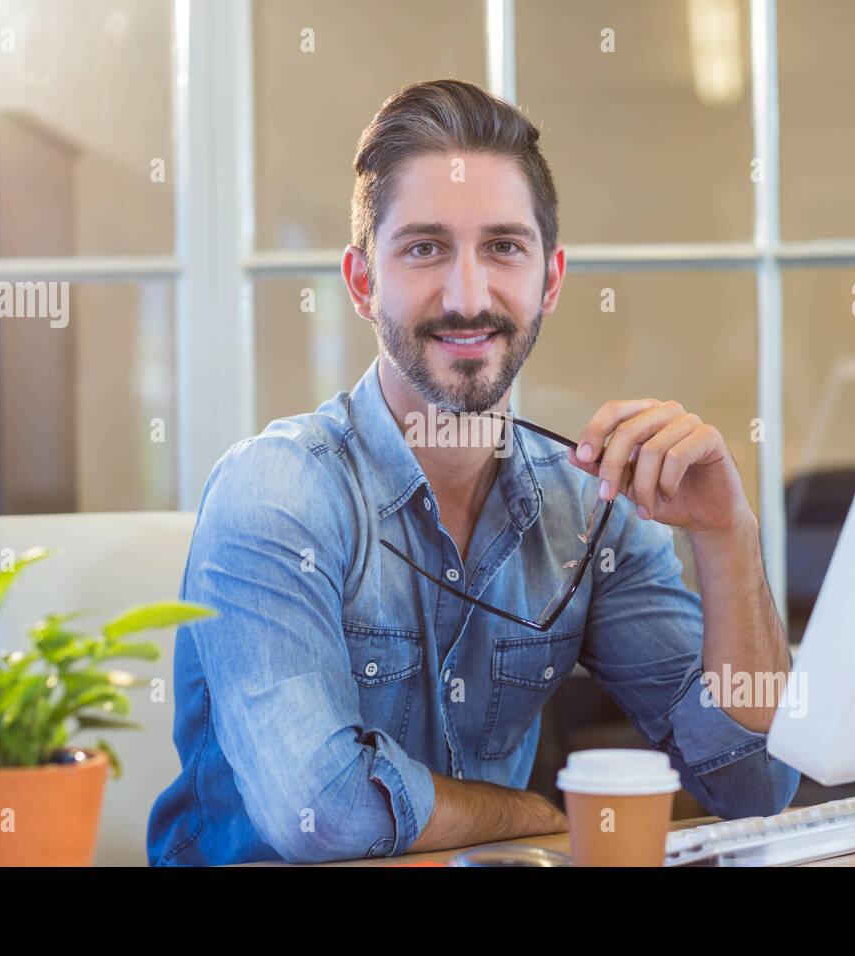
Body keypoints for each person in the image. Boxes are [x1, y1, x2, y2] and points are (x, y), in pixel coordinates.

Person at [148, 78, 799, 866]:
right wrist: (528, 813)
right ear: (362, 282)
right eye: (424, 248)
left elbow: (757, 782)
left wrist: (729, 538)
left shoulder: (585, 504)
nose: (467, 295)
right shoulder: (277, 493)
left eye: (503, 247)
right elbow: (327, 815)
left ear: (549, 279)